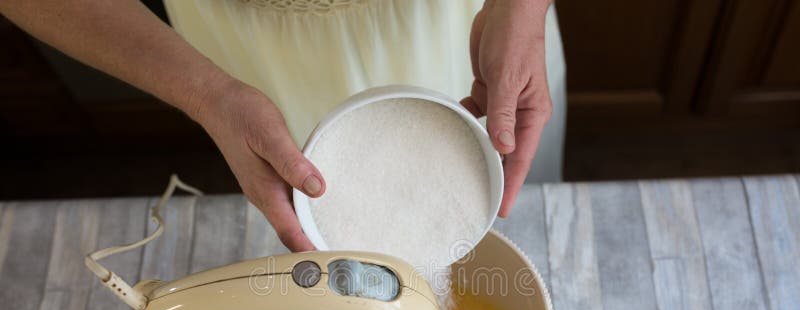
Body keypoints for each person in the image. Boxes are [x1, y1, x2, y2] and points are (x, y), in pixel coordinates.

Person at [0, 0, 565, 252]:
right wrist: (209, 95)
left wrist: (522, 9)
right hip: (249, 58)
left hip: (467, 26)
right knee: (312, 218)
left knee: (507, 204)